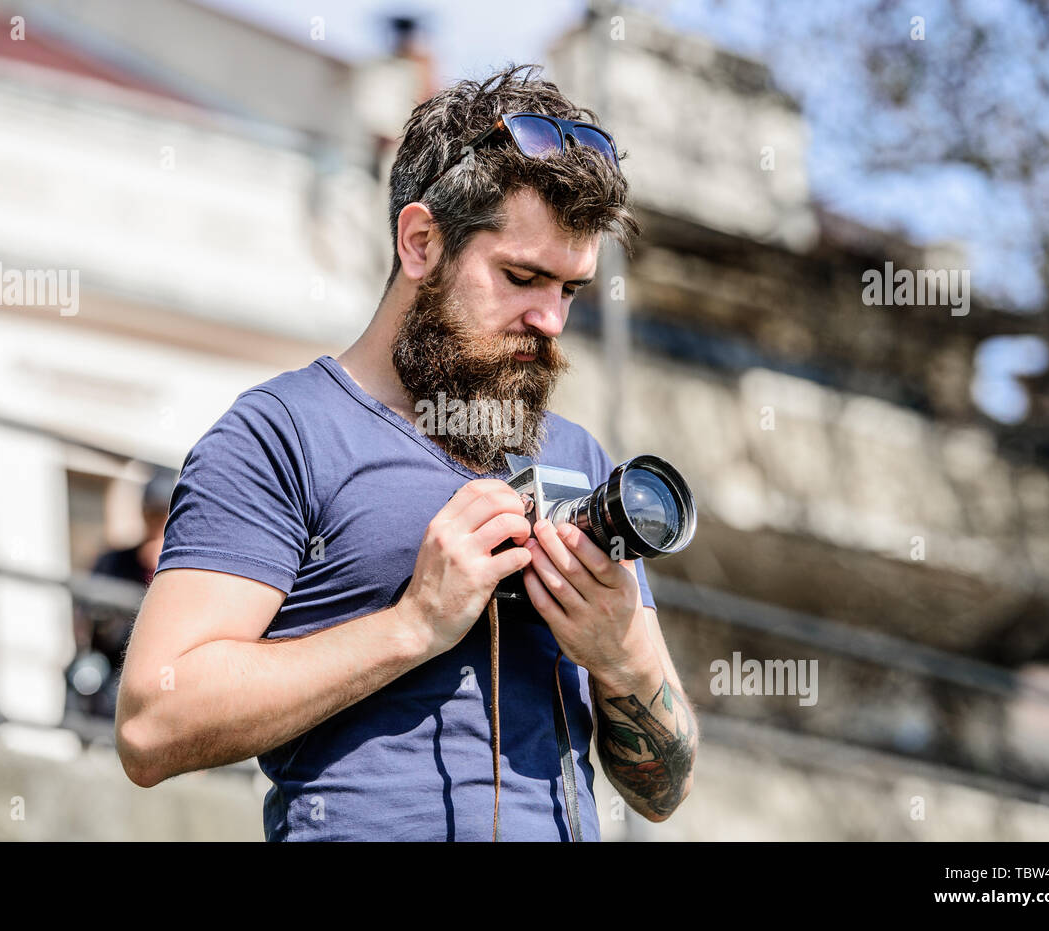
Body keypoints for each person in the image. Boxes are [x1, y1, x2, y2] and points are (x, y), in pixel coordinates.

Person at [116, 64, 698, 841]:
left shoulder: (581, 460)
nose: (551, 318)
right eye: (522, 276)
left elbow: (666, 786)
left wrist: (623, 657)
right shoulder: (282, 432)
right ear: (420, 241)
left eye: (571, 290)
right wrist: (413, 624)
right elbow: (152, 722)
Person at [67, 468, 174, 719]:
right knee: (82, 679)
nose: (156, 522)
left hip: (159, 666)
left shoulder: (180, 567)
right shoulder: (114, 560)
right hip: (112, 661)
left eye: (162, 514)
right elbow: (84, 614)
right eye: (151, 513)